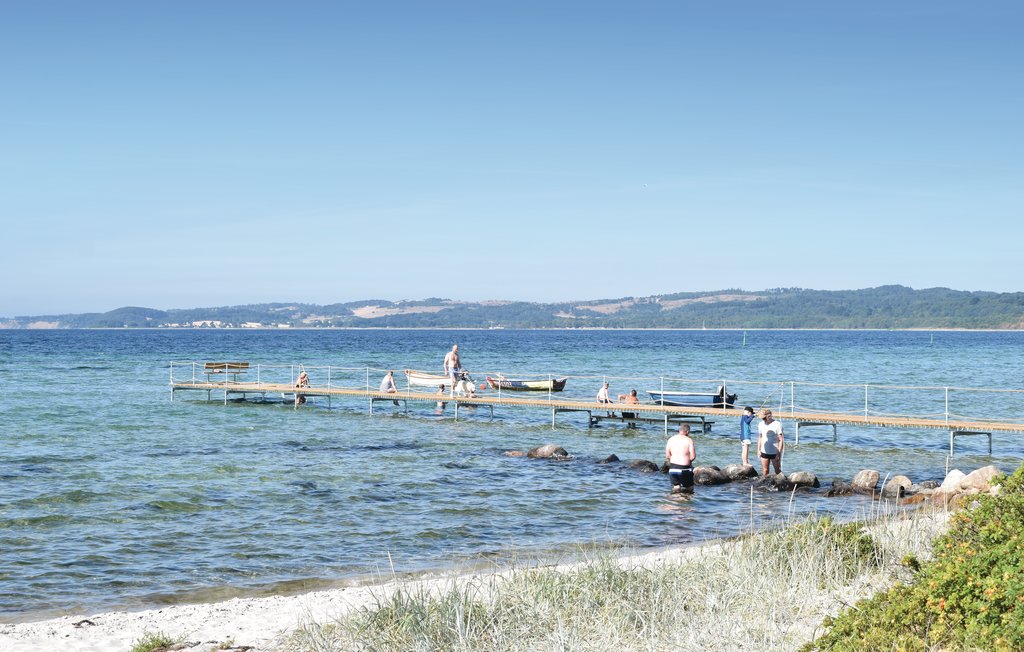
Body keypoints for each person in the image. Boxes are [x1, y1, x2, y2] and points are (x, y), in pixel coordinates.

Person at [665, 423, 697, 492]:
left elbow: (667, 456)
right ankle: (684, 501)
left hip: (673, 469)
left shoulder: (670, 439)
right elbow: (693, 456)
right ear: (688, 432)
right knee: (689, 489)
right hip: (684, 469)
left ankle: (675, 501)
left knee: (676, 488)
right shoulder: (689, 440)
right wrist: (689, 461)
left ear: (679, 430)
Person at [758, 409, 785, 476]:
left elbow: (781, 439)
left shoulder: (777, 424)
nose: (763, 420)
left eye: (764, 418)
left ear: (769, 416)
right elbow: (760, 437)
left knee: (777, 471)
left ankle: (778, 484)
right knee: (765, 470)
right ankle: (764, 485)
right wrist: (758, 450)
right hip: (764, 451)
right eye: (762, 418)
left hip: (775, 452)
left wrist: (778, 453)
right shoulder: (761, 424)